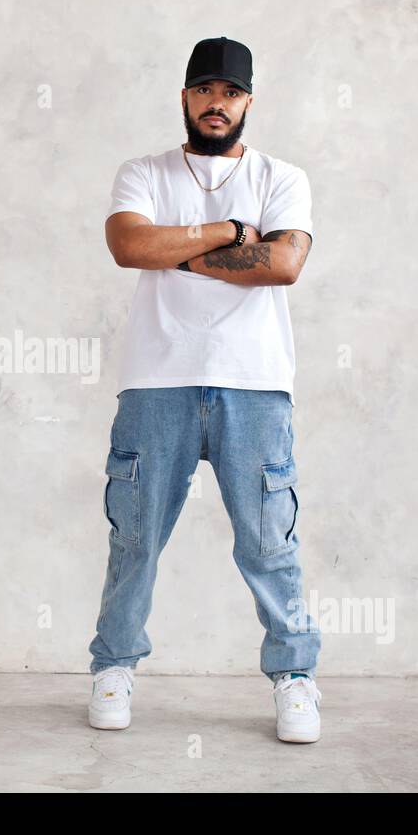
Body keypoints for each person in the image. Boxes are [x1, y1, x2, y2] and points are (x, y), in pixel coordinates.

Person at [86, 36, 322, 743]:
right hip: (157, 379)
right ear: (184, 97)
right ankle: (113, 667)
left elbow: (282, 264)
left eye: (230, 92)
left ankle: (295, 679)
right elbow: (130, 247)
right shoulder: (143, 173)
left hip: (254, 381)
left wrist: (180, 249)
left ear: (249, 101)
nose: (216, 103)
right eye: (203, 90)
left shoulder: (284, 177)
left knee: (268, 541)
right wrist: (226, 233)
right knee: (136, 536)